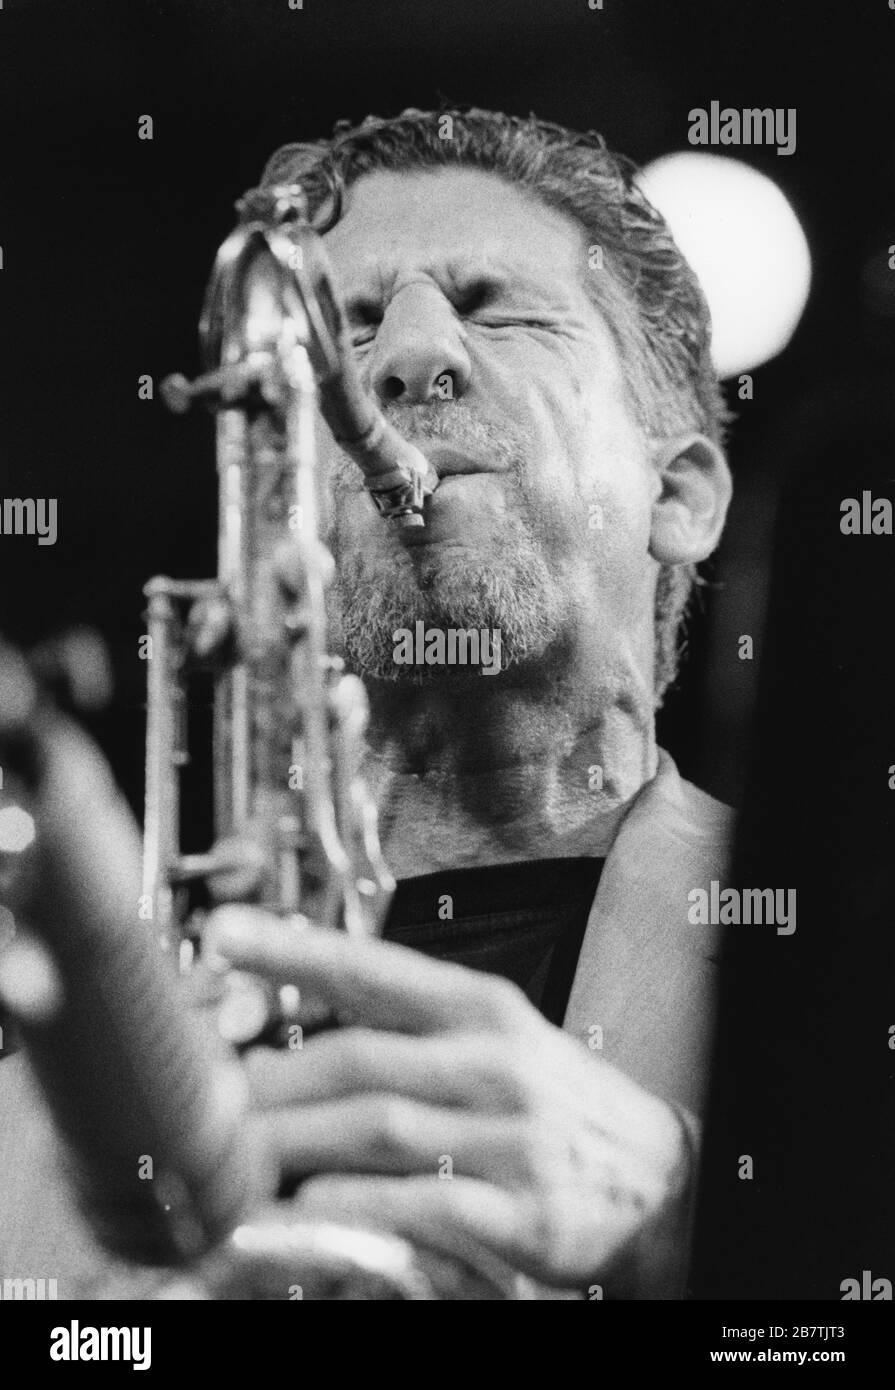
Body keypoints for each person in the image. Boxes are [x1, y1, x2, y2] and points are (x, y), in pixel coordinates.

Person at [0, 108, 733, 1299]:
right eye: (343, 329)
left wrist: (687, 1214)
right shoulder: (50, 1079)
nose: (402, 359)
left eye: (494, 305)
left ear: (681, 496)